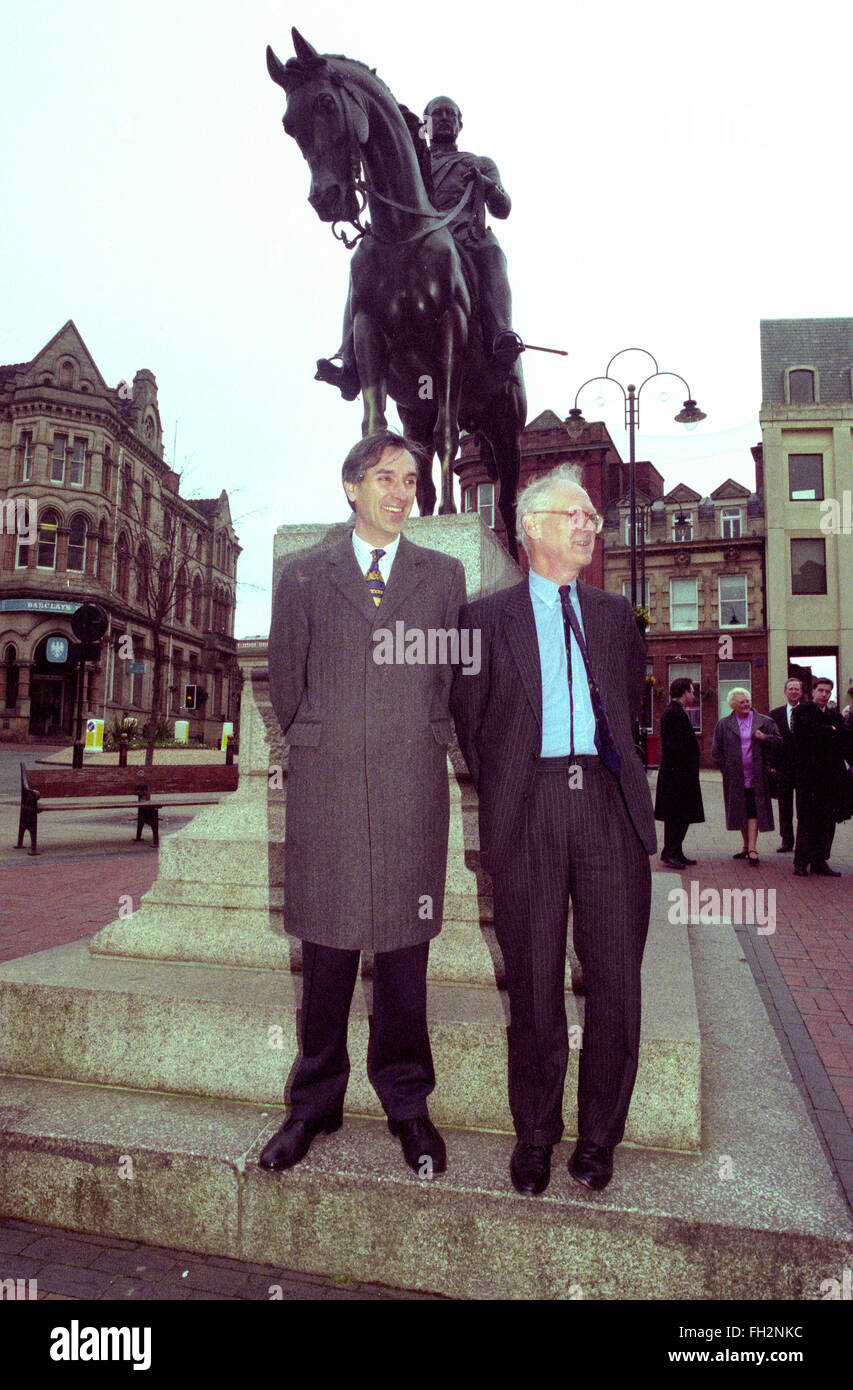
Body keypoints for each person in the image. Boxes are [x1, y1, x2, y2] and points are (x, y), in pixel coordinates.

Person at [260, 429, 466, 1176]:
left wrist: (425, 738)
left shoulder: (442, 576)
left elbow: (445, 681)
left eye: (410, 480)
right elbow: (288, 681)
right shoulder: (304, 576)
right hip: (330, 783)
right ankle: (314, 1103)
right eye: (385, 478)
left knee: (405, 955)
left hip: (411, 781)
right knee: (327, 948)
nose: (400, 492)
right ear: (352, 487)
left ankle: (407, 1104)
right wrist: (321, 740)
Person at [450, 463, 656, 1197]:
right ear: (534, 525)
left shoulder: (612, 615)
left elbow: (630, 706)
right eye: (576, 515)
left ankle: (599, 1139)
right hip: (528, 808)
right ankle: (535, 1134)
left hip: (605, 806)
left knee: (615, 985)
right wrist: (514, 782)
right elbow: (471, 726)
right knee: (533, 984)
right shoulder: (481, 621)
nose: (588, 527)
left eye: (593, 519)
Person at [317, 95, 523, 398]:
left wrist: (486, 184)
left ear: (459, 123)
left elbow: (503, 208)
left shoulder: (478, 162)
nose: (443, 118)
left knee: (493, 252)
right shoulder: (412, 161)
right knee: (362, 259)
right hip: (421, 245)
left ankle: (500, 333)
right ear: (425, 124)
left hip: (465, 239)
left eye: (450, 114)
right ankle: (350, 361)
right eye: (436, 114)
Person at [711, 688, 781, 866]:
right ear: (733, 705)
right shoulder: (724, 724)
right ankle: (745, 845)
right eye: (742, 702)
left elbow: (779, 742)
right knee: (740, 808)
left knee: (752, 808)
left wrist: (763, 737)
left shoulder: (765, 722)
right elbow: (716, 751)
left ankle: (752, 848)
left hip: (757, 775)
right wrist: (726, 769)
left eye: (748, 701)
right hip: (735, 776)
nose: (746, 704)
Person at [792, 676, 849, 877]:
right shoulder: (801, 712)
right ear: (813, 691)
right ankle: (801, 862)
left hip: (830, 778)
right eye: (821, 690)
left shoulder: (835, 715)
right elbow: (804, 735)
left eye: (828, 691)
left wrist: (828, 732)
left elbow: (844, 737)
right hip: (808, 777)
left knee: (827, 820)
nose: (824, 694)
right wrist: (829, 732)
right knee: (807, 819)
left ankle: (820, 861)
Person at [654, 677, 704, 868]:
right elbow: (675, 746)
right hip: (677, 776)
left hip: (680, 774)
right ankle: (670, 853)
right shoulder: (673, 713)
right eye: (692, 691)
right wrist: (684, 770)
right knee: (677, 816)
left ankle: (676, 851)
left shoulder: (676, 711)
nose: (693, 694)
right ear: (684, 692)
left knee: (681, 815)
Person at [769, 676, 804, 852]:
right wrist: (771, 765)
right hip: (783, 768)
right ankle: (787, 841)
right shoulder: (775, 715)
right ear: (785, 692)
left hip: (804, 768)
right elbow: (771, 741)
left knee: (803, 807)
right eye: (790, 688)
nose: (793, 692)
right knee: (785, 807)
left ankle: (803, 843)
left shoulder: (808, 712)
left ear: (801, 692)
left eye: (797, 689)